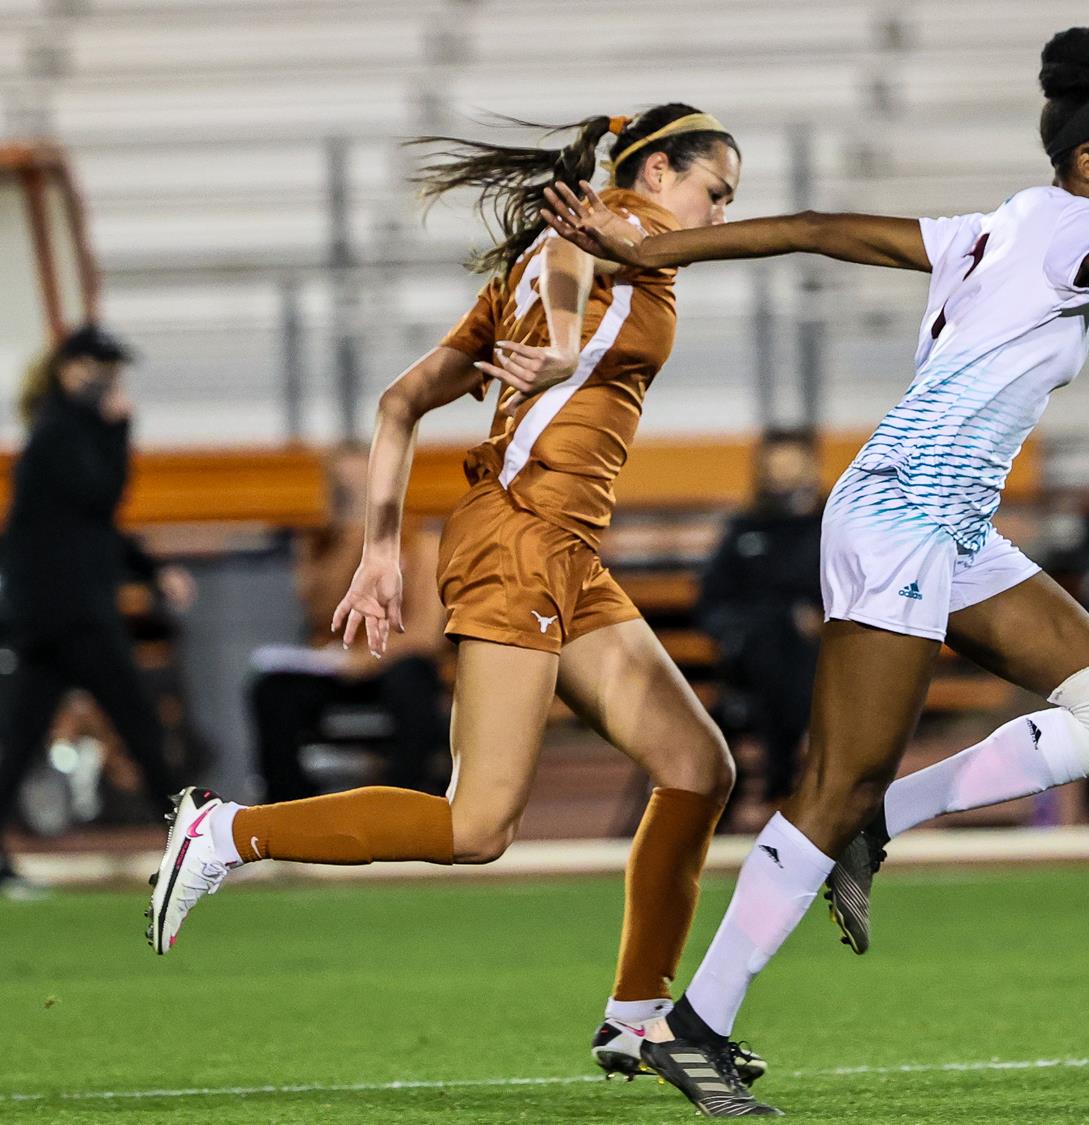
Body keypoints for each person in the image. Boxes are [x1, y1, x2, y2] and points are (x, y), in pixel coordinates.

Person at [542, 27, 1089, 1116]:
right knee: (830, 784)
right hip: (903, 518)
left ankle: (881, 827)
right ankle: (698, 1024)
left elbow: (822, 230)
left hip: (948, 524)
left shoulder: (996, 227)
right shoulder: (1076, 228)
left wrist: (658, 253)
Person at [144, 104, 768, 1084]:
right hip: (522, 543)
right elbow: (578, 256)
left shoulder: (564, 252)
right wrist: (565, 342)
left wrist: (379, 551)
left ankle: (637, 1014)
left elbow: (400, 402)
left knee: (696, 767)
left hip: (561, 552)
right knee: (476, 826)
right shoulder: (623, 231)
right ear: (654, 176)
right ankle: (222, 832)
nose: (723, 213)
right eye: (715, 190)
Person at [0, 326, 196, 899]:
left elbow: (96, 529)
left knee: (22, 737)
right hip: (69, 614)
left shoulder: (63, 431)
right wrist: (119, 427)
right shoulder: (63, 433)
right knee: (137, 721)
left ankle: (191, 843)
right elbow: (103, 496)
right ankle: (194, 845)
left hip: (53, 613)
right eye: (101, 368)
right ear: (70, 369)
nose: (111, 381)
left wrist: (151, 570)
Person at [246, 446, 449, 802]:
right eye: (344, 489)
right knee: (274, 690)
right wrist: (355, 536)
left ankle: (401, 794)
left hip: (396, 661)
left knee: (413, 682)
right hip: (337, 664)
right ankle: (287, 800)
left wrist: (371, 660)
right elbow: (321, 613)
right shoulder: (319, 545)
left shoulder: (424, 545)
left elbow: (426, 634)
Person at [696, 429, 824, 814]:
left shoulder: (834, 525)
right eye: (775, 464)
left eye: (792, 463)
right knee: (774, 634)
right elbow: (712, 603)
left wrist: (819, 617)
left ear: (811, 467)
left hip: (823, 659)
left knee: (794, 640)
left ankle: (783, 779)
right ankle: (782, 778)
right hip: (753, 662)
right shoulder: (744, 530)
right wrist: (748, 629)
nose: (783, 474)